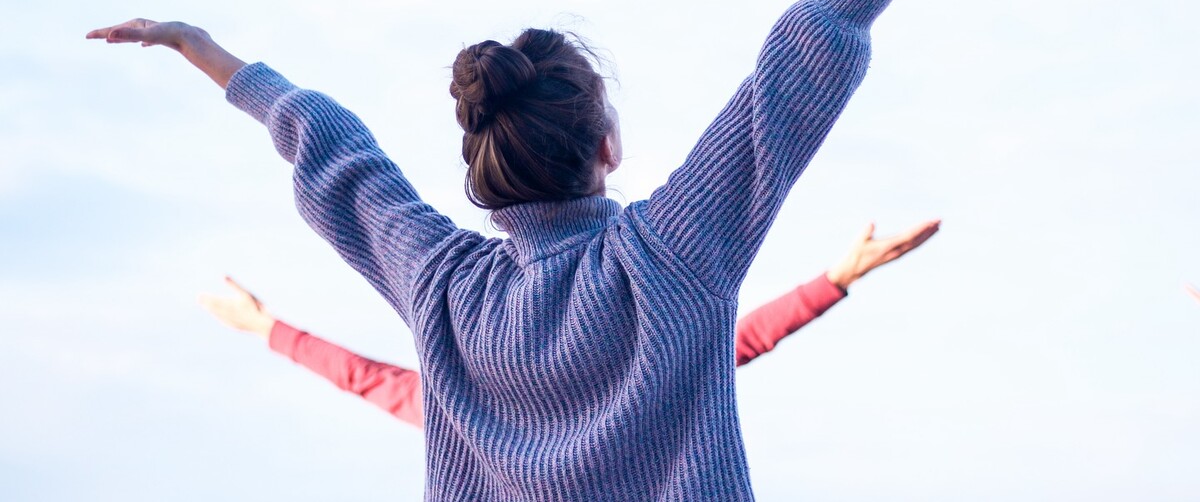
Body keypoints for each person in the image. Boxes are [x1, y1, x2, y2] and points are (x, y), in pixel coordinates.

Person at [88, 0, 1059, 498]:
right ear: (609, 147)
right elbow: (787, 86)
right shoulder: (673, 254)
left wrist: (201, 50)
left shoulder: (442, 286)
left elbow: (332, 149)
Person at [200, 221, 940, 428]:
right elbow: (730, 342)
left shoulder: (467, 413)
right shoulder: (470, 409)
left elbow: (371, 383)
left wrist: (266, 330)